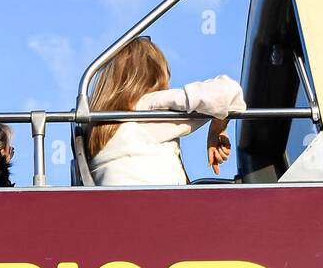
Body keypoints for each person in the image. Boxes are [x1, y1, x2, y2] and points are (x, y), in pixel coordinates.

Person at [87, 38, 244, 186]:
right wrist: (217, 128)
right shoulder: (146, 109)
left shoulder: (97, 129)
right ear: (155, 75)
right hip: (158, 207)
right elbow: (228, 91)